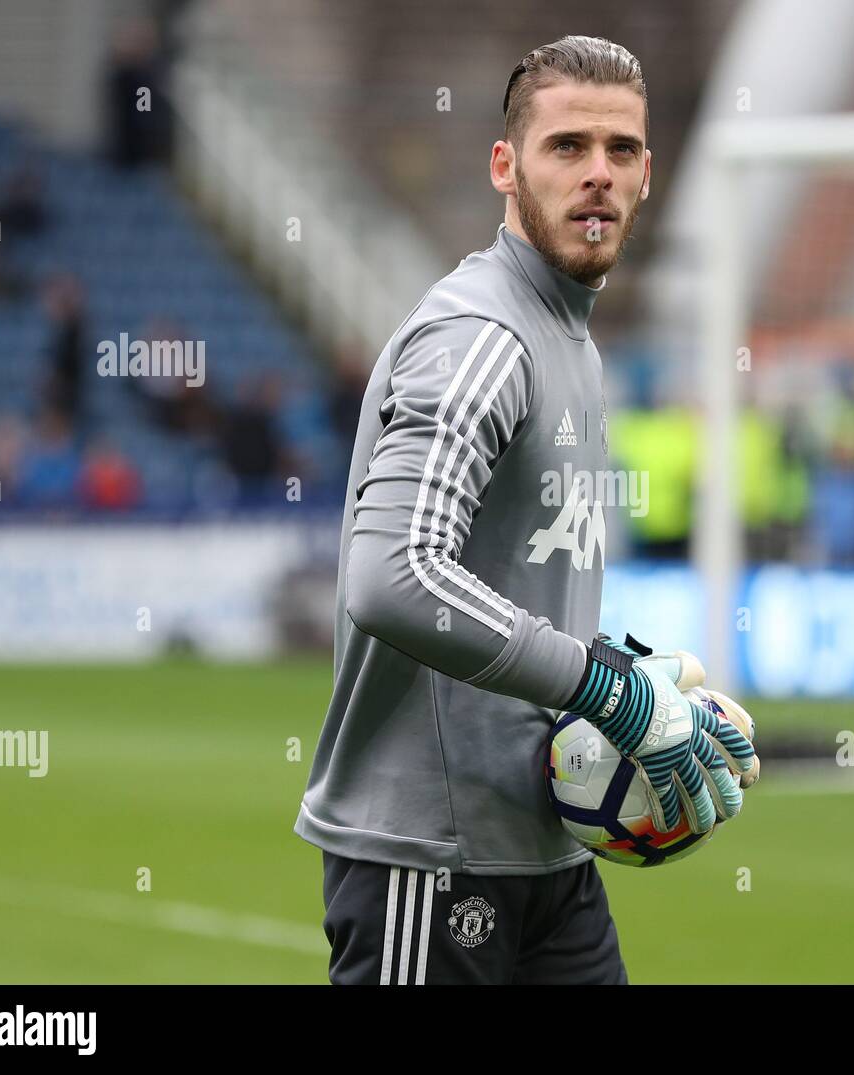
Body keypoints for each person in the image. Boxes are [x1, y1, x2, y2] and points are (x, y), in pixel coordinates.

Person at [294, 35, 756, 986]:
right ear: (506, 166)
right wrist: (604, 690)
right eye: (567, 147)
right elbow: (394, 576)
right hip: (430, 857)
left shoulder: (571, 340)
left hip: (546, 853)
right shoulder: (481, 338)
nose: (597, 174)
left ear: (647, 172)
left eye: (620, 150)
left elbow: (510, 576)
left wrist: (639, 686)